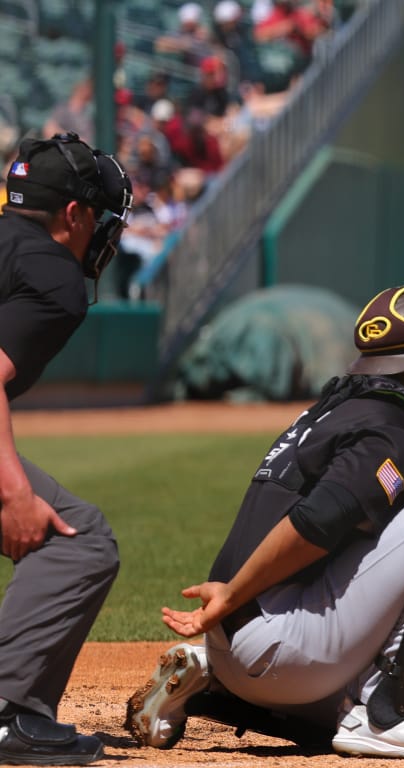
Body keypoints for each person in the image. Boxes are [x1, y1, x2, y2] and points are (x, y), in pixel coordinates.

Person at [124, 285, 404, 760]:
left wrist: (232, 599)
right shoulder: (391, 428)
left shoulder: (341, 407)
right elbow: (317, 520)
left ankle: (217, 683)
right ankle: (385, 715)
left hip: (243, 643)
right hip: (278, 648)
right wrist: (232, 594)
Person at [0, 132, 134, 765]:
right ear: (75, 215)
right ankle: (7, 714)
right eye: (101, 218)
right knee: (76, 543)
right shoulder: (54, 274)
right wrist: (13, 492)